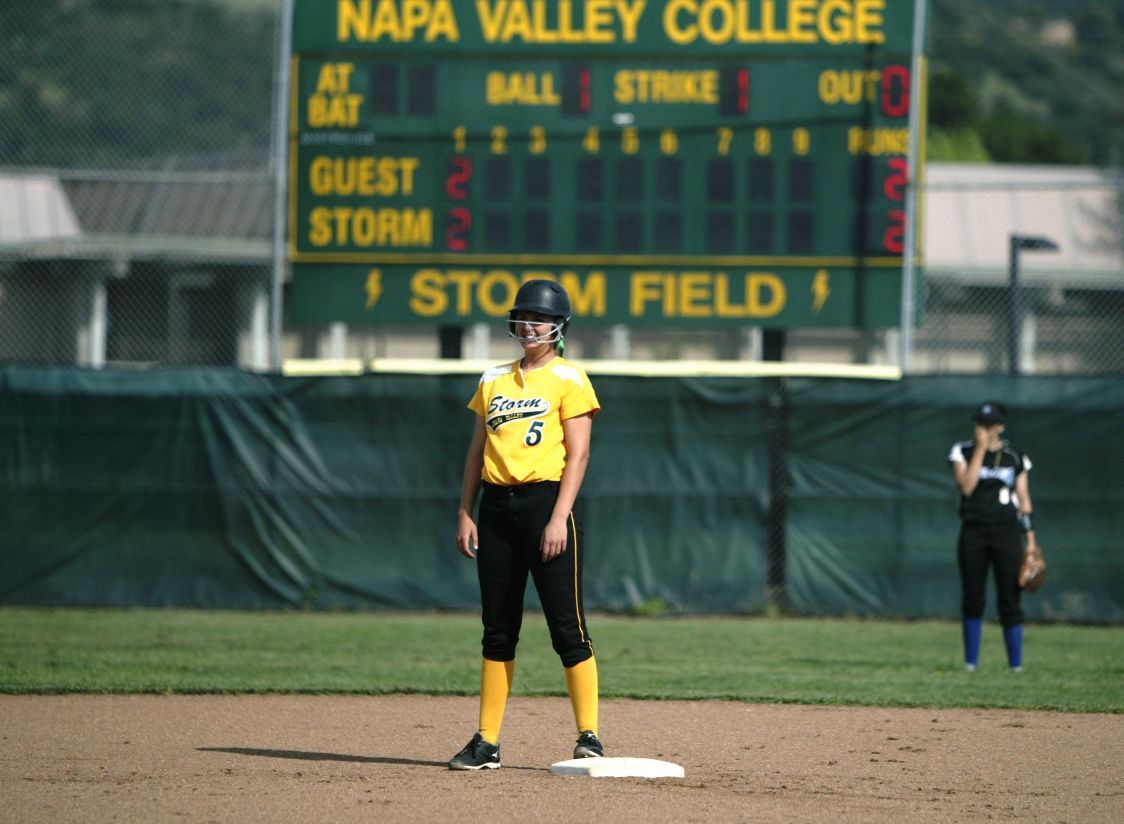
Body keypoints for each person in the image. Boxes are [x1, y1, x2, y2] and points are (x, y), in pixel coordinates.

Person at [448, 279, 603, 770]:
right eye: (523, 316)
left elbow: (578, 456)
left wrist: (559, 516)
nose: (529, 324)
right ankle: (486, 742)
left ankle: (589, 735)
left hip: (545, 505)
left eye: (539, 317)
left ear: (558, 326)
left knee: (567, 627)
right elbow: (476, 452)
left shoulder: (570, 379)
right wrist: (466, 510)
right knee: (497, 629)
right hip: (495, 510)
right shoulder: (492, 378)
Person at [948, 401, 1038, 672]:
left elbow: (1024, 500)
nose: (982, 428)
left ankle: (1015, 666)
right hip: (973, 532)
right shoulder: (962, 451)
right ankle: (970, 663)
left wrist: (1031, 541)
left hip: (1006, 533)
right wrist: (979, 450)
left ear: (1000, 426)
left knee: (1010, 598)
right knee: (973, 596)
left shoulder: (1015, 457)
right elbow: (966, 487)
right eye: (979, 423)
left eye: (987, 424)